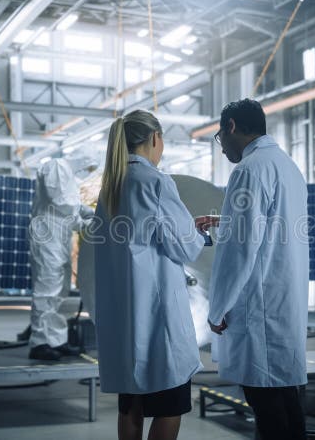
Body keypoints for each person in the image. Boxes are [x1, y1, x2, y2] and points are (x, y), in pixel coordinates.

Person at [196, 99, 309, 440]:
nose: (223, 148)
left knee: (267, 404)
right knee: (286, 399)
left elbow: (239, 251)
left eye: (220, 138)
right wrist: (227, 220)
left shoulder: (248, 169)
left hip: (260, 307)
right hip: (283, 299)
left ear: (230, 127)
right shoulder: (286, 166)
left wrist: (216, 309)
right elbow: (271, 224)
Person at [94, 110, 205, 440]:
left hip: (124, 319)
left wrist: (184, 229)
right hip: (158, 321)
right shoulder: (155, 181)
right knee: (171, 407)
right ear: (156, 138)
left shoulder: (111, 186)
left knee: (132, 405)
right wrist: (200, 234)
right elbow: (187, 248)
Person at [24, 157, 95, 361]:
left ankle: (56, 340)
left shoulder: (68, 175)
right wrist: (84, 223)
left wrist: (92, 212)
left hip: (59, 236)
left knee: (59, 289)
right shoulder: (56, 166)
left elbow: (72, 203)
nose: (88, 171)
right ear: (82, 158)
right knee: (47, 289)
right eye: (88, 167)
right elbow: (61, 203)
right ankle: (39, 343)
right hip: (48, 234)